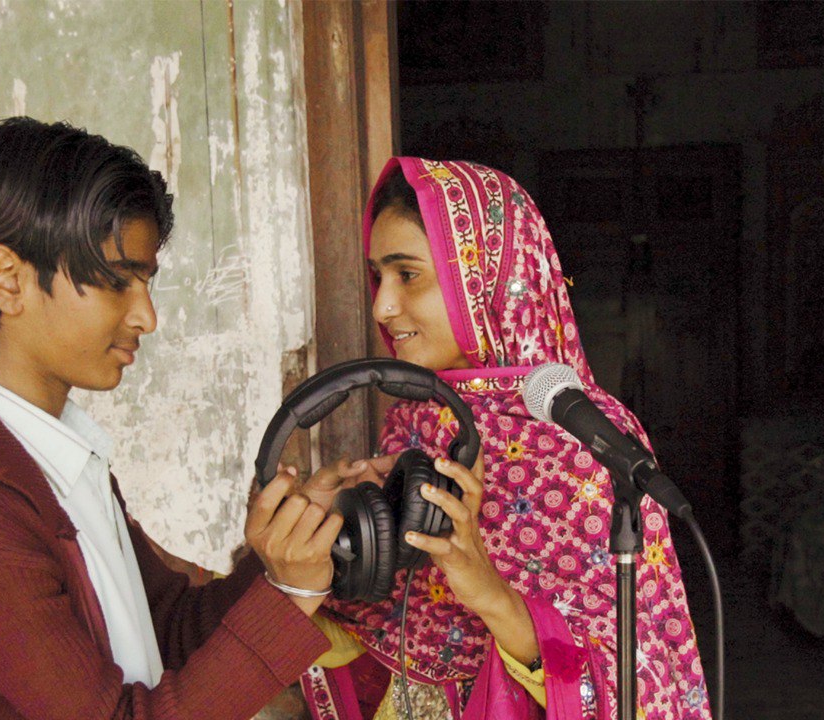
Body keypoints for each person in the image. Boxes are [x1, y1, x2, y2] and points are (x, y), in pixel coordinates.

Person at [0, 117, 342, 719]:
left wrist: (289, 550)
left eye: (146, 283)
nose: (146, 317)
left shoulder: (59, 459)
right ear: (8, 280)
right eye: (116, 282)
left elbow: (172, 629)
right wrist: (290, 596)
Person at [298, 158, 712, 719]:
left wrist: (489, 593)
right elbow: (378, 638)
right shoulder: (411, 425)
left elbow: (637, 687)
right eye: (378, 277)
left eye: (408, 275)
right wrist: (307, 553)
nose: (382, 307)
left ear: (483, 277)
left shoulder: (588, 446)